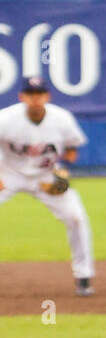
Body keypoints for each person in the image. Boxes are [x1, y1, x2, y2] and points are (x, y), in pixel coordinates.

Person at [0, 77, 95, 295]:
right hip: (10, 172)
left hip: (45, 175)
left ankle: (84, 276)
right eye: (31, 94)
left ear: (47, 97)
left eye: (39, 94)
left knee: (76, 218)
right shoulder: (5, 119)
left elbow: (72, 148)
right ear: (22, 97)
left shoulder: (62, 119)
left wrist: (64, 169)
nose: (35, 99)